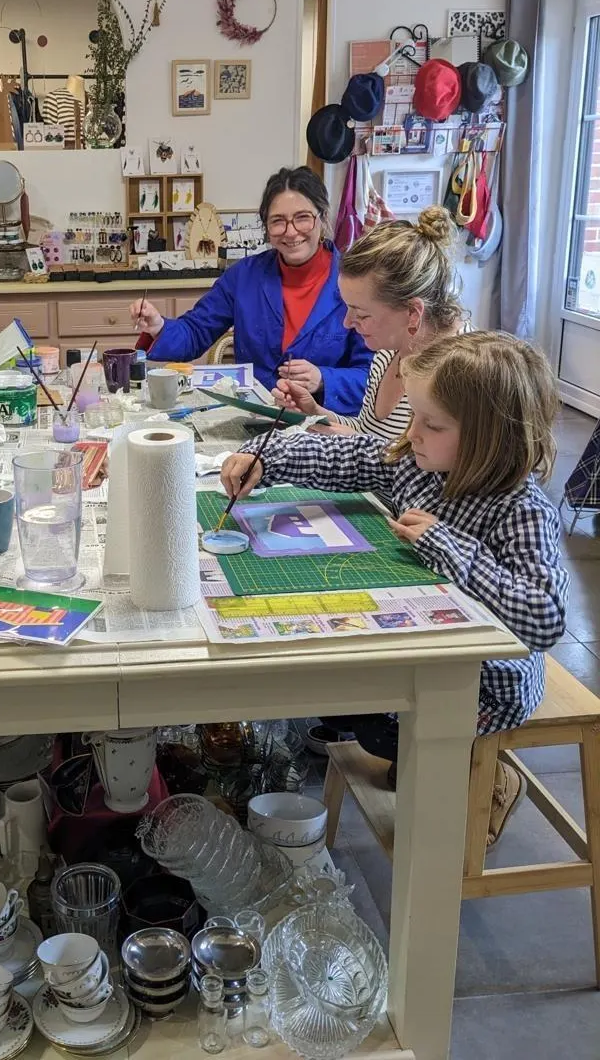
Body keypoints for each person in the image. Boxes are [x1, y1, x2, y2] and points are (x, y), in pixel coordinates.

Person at [221, 332, 569, 845]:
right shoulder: (417, 461)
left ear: (490, 437)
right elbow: (347, 455)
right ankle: (418, 752)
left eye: (432, 424)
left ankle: (484, 770)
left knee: (384, 722)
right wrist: (265, 458)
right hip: (425, 644)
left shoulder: (522, 509)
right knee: (340, 701)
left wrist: (446, 544)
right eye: (413, 416)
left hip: (487, 681)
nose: (413, 433)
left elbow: (544, 617)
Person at [129, 167, 372, 413]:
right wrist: (159, 326)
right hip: (255, 418)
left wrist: (323, 379)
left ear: (323, 217)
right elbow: (195, 331)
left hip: (325, 424)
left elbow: (374, 377)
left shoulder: (356, 282)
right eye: (278, 221)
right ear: (266, 227)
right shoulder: (244, 276)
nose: (290, 232)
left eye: (302, 218)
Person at [273, 206, 465, 440]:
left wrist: (359, 442)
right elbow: (366, 429)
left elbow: (433, 462)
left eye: (362, 315)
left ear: (413, 313)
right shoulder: (387, 351)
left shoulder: (463, 370)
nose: (347, 323)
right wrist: (315, 413)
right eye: (348, 308)